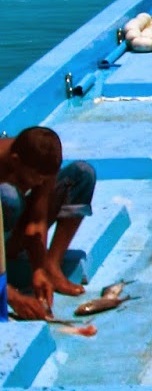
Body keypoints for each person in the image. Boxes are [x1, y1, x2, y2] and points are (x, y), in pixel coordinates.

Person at [0, 127, 96, 320]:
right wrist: (11, 296)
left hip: (14, 230)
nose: (38, 184)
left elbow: (36, 222)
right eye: (35, 178)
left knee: (82, 174)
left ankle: (52, 266)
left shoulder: (38, 158)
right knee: (8, 196)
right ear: (16, 160)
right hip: (5, 227)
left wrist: (39, 269)